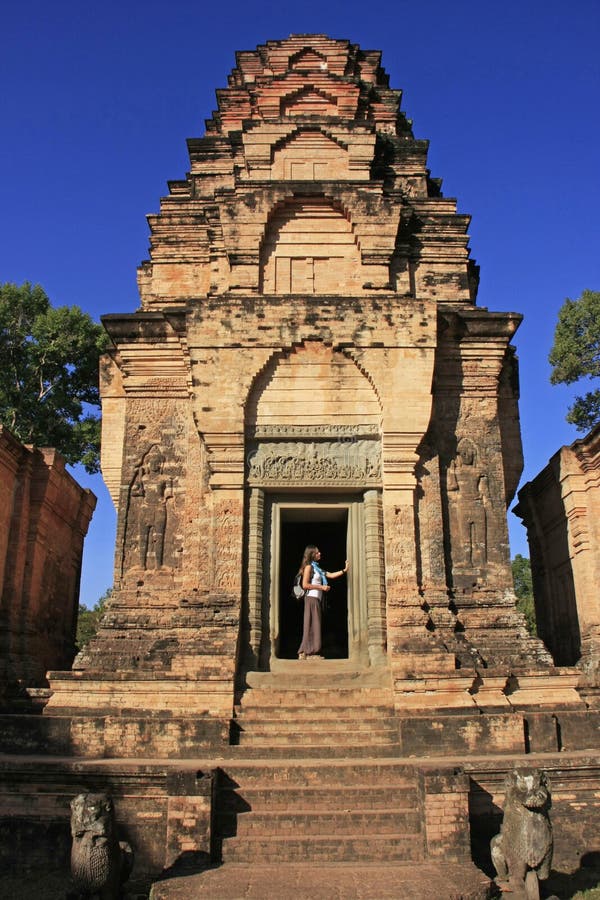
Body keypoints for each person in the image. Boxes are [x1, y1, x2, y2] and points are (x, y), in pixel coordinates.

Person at [297, 545, 349, 660]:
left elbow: (330, 575)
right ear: (312, 555)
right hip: (311, 599)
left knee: (315, 625)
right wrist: (321, 588)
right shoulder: (309, 567)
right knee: (310, 625)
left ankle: (312, 652)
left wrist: (344, 570)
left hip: (316, 600)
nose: (320, 554)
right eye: (317, 552)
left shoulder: (317, 569)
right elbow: (305, 585)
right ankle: (305, 652)